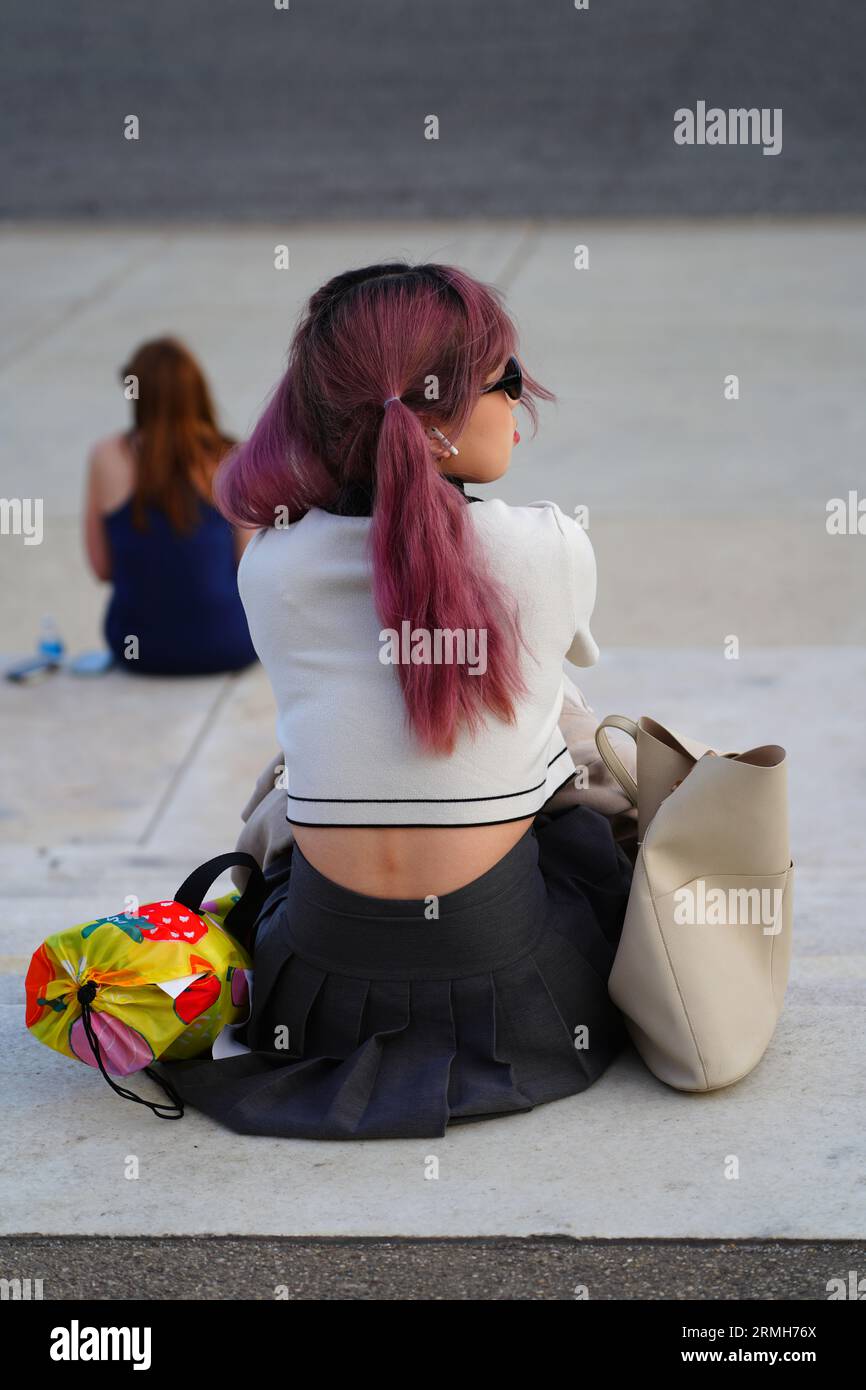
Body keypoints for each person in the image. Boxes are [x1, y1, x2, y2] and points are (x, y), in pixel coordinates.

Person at [151, 263, 634, 1138]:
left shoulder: (270, 565)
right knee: (571, 769)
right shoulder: (551, 545)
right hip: (518, 993)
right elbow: (564, 687)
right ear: (443, 410)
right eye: (509, 380)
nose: (524, 406)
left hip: (318, 989)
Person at [83, 337, 258, 675]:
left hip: (138, 651)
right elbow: (247, 562)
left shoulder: (106, 457)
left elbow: (102, 568)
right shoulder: (230, 457)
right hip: (229, 646)